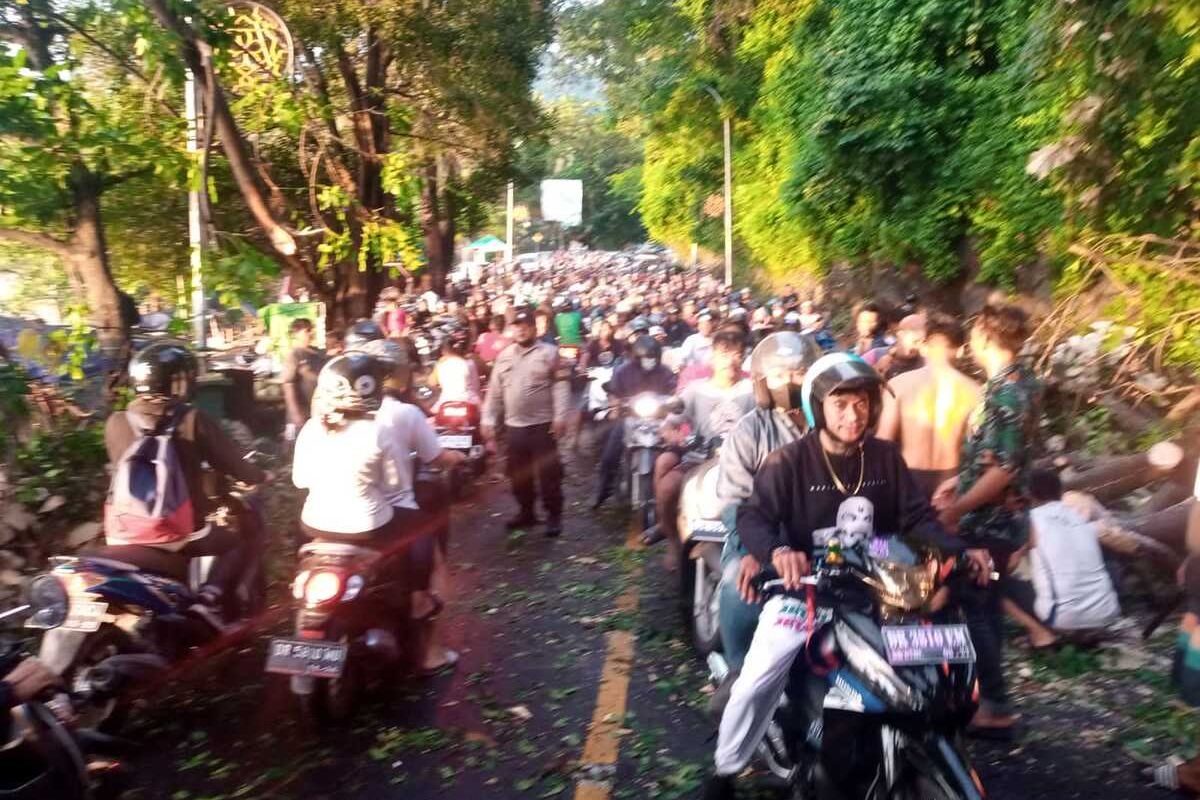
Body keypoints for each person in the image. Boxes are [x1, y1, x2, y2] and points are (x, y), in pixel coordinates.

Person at [703, 353, 989, 800]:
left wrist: (959, 551)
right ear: (818, 407)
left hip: (877, 593)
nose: (853, 415)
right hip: (805, 593)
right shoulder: (788, 461)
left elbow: (918, 521)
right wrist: (778, 552)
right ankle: (725, 770)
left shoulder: (885, 458)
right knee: (758, 679)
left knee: (930, 670)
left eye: (861, 404)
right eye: (840, 404)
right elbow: (754, 517)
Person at [933, 302, 1038, 739]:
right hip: (996, 516)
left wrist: (956, 509)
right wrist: (958, 481)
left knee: (974, 605)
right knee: (987, 606)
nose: (971, 340)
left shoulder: (1005, 393)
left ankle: (994, 707)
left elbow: (1004, 470)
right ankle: (988, 700)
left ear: (987, 338)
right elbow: (995, 456)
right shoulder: (1022, 380)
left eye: (975, 332)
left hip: (990, 523)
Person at [104, 342, 269, 606]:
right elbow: (233, 465)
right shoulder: (192, 419)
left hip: (121, 532)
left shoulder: (116, 422)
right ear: (178, 382)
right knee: (237, 542)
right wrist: (260, 476)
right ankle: (209, 599)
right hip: (177, 533)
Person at [713, 332, 822, 674]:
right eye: (778, 375)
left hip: (821, 540)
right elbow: (734, 501)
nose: (789, 382)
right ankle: (737, 671)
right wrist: (752, 551)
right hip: (759, 540)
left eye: (798, 372)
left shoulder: (829, 425)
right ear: (762, 382)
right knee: (738, 583)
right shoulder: (749, 431)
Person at [362, 339, 468, 675]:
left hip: (333, 519)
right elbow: (435, 457)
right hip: (393, 513)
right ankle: (431, 652)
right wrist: (457, 457)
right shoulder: (404, 413)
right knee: (436, 568)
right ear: (400, 374)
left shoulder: (337, 416)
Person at [653, 329, 753, 567]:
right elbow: (669, 425)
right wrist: (676, 437)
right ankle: (673, 541)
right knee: (667, 488)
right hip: (699, 460)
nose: (731, 360)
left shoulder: (753, 390)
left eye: (737, 354)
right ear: (713, 357)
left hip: (745, 463)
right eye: (725, 354)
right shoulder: (695, 390)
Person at [1002, 469, 1120, 646]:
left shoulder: (1030, 521)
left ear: (1029, 494)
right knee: (1103, 563)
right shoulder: (1078, 517)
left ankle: (1041, 633)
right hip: (1107, 614)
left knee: (992, 579)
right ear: (1060, 492)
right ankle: (1091, 624)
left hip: (1060, 617)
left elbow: (1008, 566)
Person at [482, 308, 572, 537]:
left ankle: (553, 516)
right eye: (517, 327)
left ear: (534, 328)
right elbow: (494, 392)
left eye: (525, 326)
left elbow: (561, 387)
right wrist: (488, 418)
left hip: (543, 425)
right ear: (512, 330)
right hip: (515, 427)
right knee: (518, 475)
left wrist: (560, 416)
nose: (521, 331)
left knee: (548, 475)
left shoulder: (550, 353)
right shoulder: (504, 356)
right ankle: (526, 513)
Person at [876, 313, 981, 499]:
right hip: (952, 485)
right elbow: (977, 449)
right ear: (961, 350)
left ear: (923, 347)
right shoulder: (976, 392)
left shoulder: (898, 385)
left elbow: (883, 443)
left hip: (907, 481)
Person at [592, 335, 677, 510]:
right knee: (609, 455)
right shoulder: (623, 371)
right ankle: (602, 491)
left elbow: (674, 391)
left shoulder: (665, 372)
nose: (649, 361)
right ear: (636, 357)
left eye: (652, 357)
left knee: (677, 452)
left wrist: (674, 403)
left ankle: (673, 496)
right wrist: (615, 406)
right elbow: (613, 392)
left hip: (658, 421)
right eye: (645, 358)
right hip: (629, 419)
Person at [282, 317, 326, 442]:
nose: (311, 333)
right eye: (307, 330)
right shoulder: (294, 355)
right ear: (296, 333)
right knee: (296, 444)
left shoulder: (317, 353)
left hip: (317, 411)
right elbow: (288, 384)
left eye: (311, 329)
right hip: (300, 413)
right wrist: (296, 414)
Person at [430, 325, 481, 409]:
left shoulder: (441, 364)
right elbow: (476, 386)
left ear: (443, 351)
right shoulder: (470, 362)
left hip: (445, 402)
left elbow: (432, 383)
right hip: (470, 401)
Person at [869, 312, 926, 379]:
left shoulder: (925, 363)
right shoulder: (875, 355)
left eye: (922, 342)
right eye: (915, 341)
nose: (918, 347)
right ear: (901, 335)